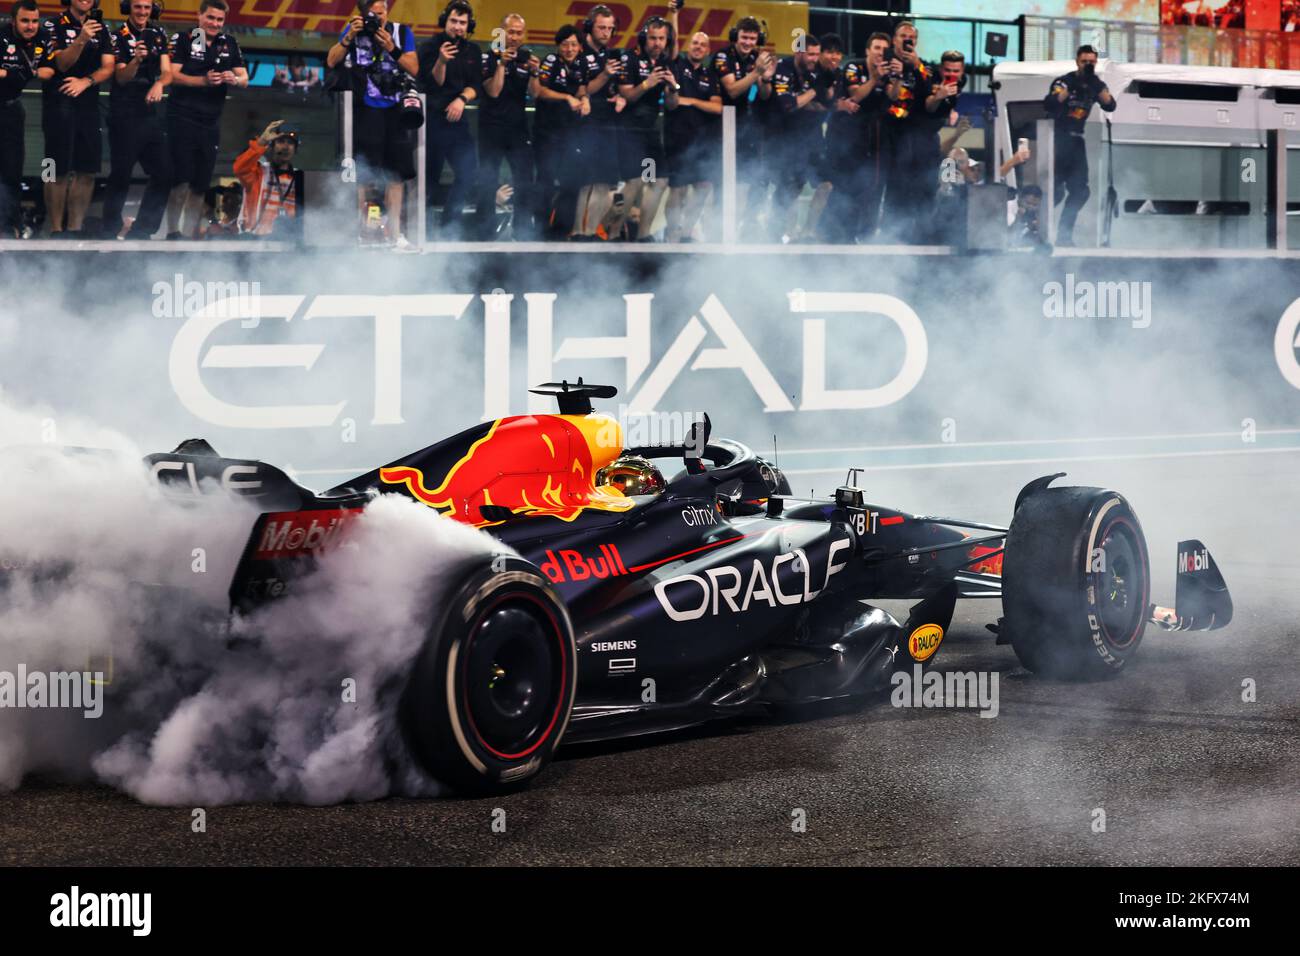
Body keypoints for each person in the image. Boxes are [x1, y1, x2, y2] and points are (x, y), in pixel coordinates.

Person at [326, 0, 417, 246]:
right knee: (364, 175)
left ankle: (395, 234)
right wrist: (349, 37)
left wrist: (391, 47)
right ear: (363, 14)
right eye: (373, 14)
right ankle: (364, 232)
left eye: (382, 12)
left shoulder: (401, 32)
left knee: (396, 175)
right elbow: (331, 61)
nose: (378, 18)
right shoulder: (354, 29)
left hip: (395, 109)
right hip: (365, 108)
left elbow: (414, 68)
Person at [164, 0, 247, 239]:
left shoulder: (228, 42)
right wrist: (203, 80)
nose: (215, 23)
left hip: (211, 122)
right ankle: (173, 232)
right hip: (182, 117)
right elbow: (171, 75)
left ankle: (190, 235)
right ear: (199, 16)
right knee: (180, 180)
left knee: (200, 184)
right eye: (210, 17)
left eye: (219, 19)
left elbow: (244, 78)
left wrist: (233, 78)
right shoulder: (184, 38)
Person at [40, 0, 115, 236]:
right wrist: (81, 38)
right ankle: (55, 229)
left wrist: (87, 81)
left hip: (89, 104)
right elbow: (61, 64)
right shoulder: (52, 25)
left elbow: (109, 66)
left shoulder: (101, 27)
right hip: (58, 103)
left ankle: (75, 230)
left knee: (88, 170)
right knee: (54, 169)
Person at [102, 0, 171, 240]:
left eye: (147, 7)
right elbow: (121, 77)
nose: (142, 12)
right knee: (121, 174)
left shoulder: (159, 33)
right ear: (128, 8)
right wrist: (137, 59)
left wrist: (160, 84)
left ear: (153, 9)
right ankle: (110, 229)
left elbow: (168, 71)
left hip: (149, 112)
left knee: (164, 173)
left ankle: (143, 229)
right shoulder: (116, 36)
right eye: (137, 7)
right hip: (123, 111)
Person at [417, 0, 480, 240]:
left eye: (462, 23)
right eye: (454, 21)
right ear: (445, 21)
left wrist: (462, 99)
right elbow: (434, 83)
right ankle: (422, 231)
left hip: (457, 120)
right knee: (429, 179)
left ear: (468, 26)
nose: (457, 27)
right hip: (432, 119)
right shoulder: (429, 47)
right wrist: (442, 61)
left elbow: (475, 86)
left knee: (469, 172)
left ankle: (448, 227)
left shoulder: (473, 51)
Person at [474, 13, 538, 240]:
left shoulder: (526, 58)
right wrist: (502, 64)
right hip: (491, 127)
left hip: (518, 128)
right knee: (488, 179)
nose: (515, 37)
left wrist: (535, 73)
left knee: (525, 178)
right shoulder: (488, 57)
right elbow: (493, 91)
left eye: (519, 33)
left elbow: (535, 93)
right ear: (501, 32)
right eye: (511, 32)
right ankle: (484, 233)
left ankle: (523, 231)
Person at [1044, 44, 1116, 246]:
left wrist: (1095, 85)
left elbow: (1110, 105)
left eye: (1092, 62)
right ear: (1077, 62)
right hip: (1057, 139)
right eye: (1084, 61)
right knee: (1054, 192)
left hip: (1076, 141)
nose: (1088, 65)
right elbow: (1050, 103)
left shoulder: (1096, 83)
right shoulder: (1064, 81)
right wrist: (1073, 87)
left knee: (1081, 192)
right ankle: (1034, 225)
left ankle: (1064, 236)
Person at [710, 17, 774, 235]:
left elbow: (765, 96)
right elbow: (732, 91)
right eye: (744, 37)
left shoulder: (757, 58)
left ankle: (741, 230)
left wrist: (766, 78)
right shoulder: (722, 56)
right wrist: (756, 72)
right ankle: (715, 232)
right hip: (718, 124)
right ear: (735, 37)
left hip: (745, 126)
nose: (748, 42)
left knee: (747, 180)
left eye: (752, 39)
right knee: (720, 182)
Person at [616, 16, 674, 241]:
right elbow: (627, 95)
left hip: (650, 133)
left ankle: (643, 235)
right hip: (629, 132)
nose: (657, 43)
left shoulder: (664, 63)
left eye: (661, 39)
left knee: (658, 180)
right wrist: (646, 84)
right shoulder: (629, 59)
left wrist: (673, 88)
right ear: (643, 38)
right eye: (653, 38)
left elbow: (671, 105)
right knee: (635, 181)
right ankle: (614, 234)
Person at [571, 5, 625, 239]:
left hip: (608, 124)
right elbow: (582, 90)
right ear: (589, 27)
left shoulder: (611, 55)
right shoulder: (577, 52)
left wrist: (620, 96)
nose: (606, 32)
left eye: (610, 28)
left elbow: (615, 88)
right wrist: (605, 74)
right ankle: (577, 232)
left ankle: (591, 232)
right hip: (584, 125)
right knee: (585, 182)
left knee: (605, 182)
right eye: (601, 27)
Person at [530, 24, 589, 238]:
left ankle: (562, 231)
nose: (569, 49)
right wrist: (566, 97)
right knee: (545, 181)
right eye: (565, 44)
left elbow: (582, 87)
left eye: (573, 44)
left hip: (571, 135)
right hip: (546, 133)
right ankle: (539, 231)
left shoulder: (582, 63)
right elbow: (539, 91)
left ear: (580, 47)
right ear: (558, 46)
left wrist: (584, 99)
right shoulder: (550, 61)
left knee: (573, 182)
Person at [664, 25, 720, 243]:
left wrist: (691, 101)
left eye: (703, 45)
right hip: (677, 138)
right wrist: (674, 14)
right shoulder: (676, 66)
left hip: (703, 141)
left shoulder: (710, 75)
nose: (698, 47)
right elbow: (673, 103)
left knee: (704, 187)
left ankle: (687, 234)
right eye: (695, 43)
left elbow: (717, 107)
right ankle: (672, 233)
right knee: (677, 189)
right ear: (688, 46)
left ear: (708, 50)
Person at [768, 34, 827, 243]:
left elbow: (825, 106)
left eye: (817, 54)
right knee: (789, 190)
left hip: (812, 139)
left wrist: (804, 101)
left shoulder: (819, 71)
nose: (814, 59)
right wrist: (813, 92)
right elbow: (787, 105)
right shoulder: (783, 68)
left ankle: (808, 232)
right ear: (798, 52)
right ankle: (781, 234)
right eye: (810, 54)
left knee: (827, 184)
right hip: (785, 141)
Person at [0, 0, 49, 238]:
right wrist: (14, 73)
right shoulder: (1, 36)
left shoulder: (43, 37)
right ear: (13, 21)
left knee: (12, 171)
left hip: (11, 108)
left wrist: (15, 73)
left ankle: (9, 228)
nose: (30, 26)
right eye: (25, 21)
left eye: (34, 21)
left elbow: (49, 70)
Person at [233, 119, 300, 236]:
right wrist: (261, 142)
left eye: (290, 143)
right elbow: (239, 168)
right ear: (271, 147)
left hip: (288, 242)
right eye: (280, 141)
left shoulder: (299, 179)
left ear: (295, 149)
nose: (285, 147)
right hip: (254, 241)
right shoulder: (258, 173)